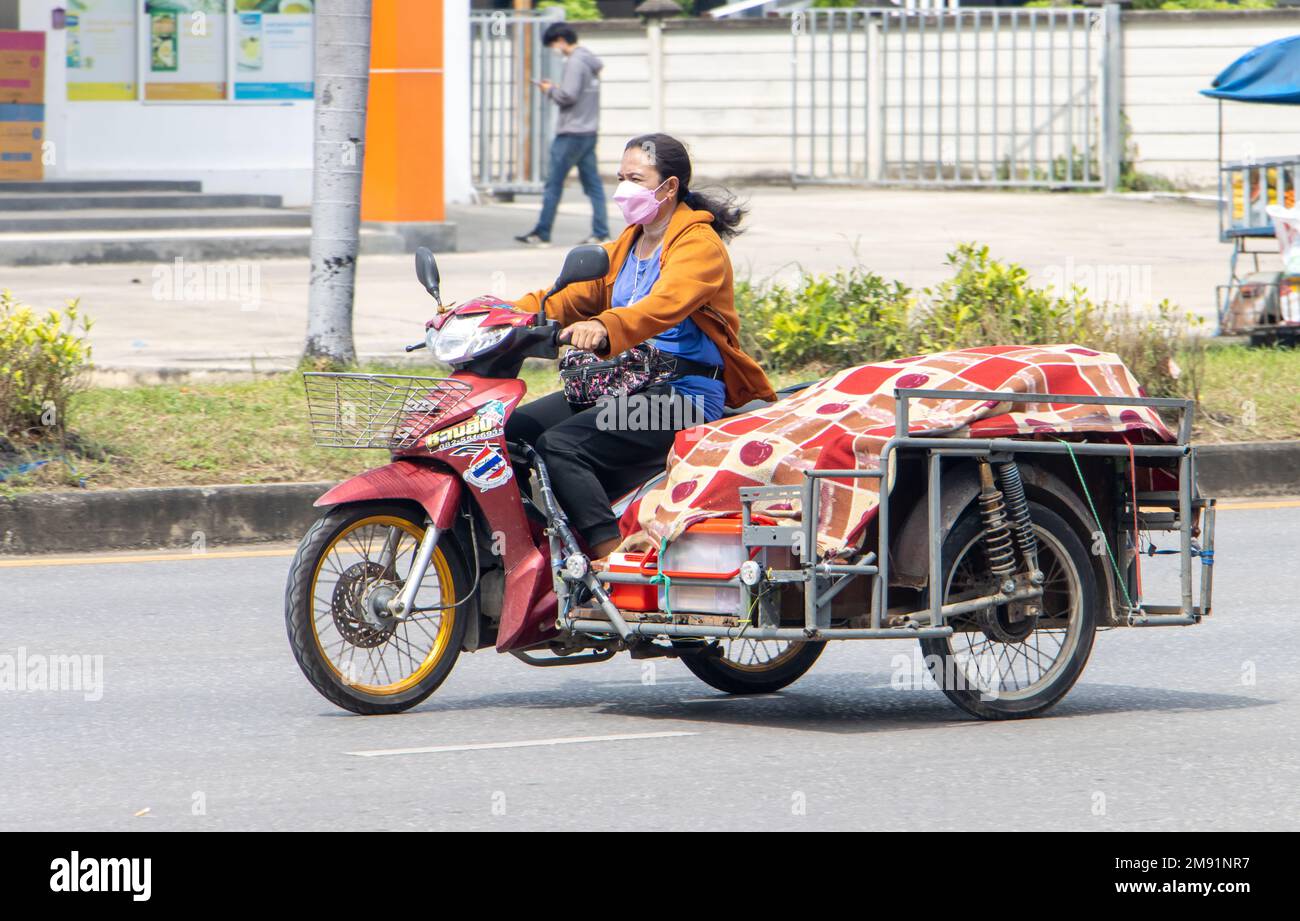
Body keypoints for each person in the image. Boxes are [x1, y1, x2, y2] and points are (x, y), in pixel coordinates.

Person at [507, 133, 776, 560]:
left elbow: (661, 307)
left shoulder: (698, 247)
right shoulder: (629, 243)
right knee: (510, 433)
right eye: (620, 178)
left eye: (636, 178)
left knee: (561, 444)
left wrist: (602, 326)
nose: (623, 189)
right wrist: (504, 314)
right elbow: (571, 296)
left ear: (668, 187)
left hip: (682, 396)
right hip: (626, 384)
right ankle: (539, 548)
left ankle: (611, 564)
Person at [515, 24, 610, 247]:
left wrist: (548, 89)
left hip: (571, 133)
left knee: (553, 185)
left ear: (560, 40)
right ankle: (601, 231)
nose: (554, 50)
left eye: (553, 45)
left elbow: (568, 96)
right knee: (593, 185)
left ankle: (542, 233)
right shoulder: (589, 60)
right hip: (588, 131)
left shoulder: (575, 61)